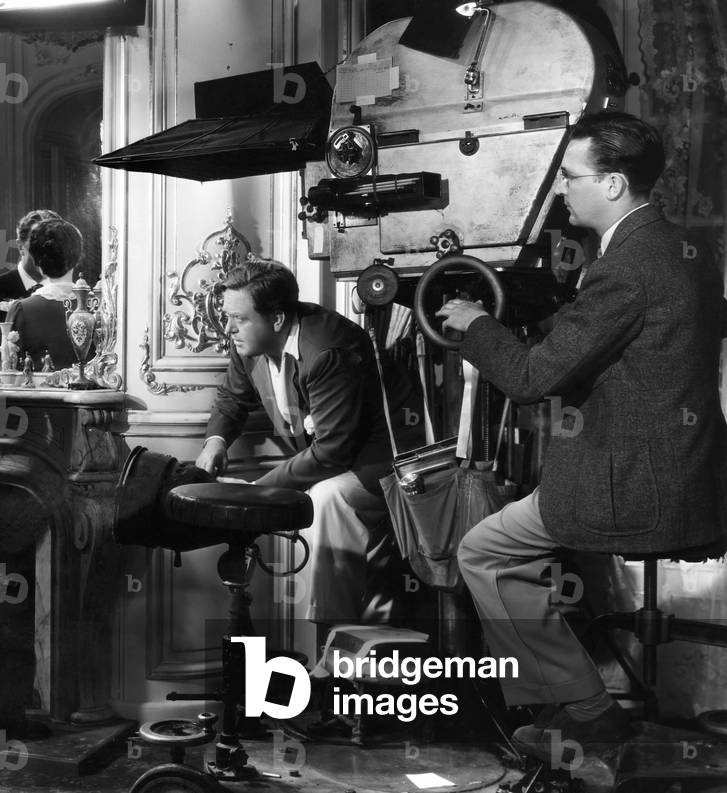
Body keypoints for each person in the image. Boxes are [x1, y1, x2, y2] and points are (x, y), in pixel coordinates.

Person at [437, 112, 727, 760]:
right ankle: (569, 706)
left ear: (615, 184)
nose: (562, 189)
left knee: (483, 550)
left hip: (633, 481)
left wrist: (475, 320)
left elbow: (530, 376)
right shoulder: (678, 247)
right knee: (518, 548)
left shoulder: (625, 266)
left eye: (571, 177)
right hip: (683, 469)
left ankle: (589, 712)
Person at [196, 260, 394, 625]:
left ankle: (334, 643)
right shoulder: (249, 343)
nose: (228, 329)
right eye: (228, 317)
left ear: (276, 319)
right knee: (321, 495)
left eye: (238, 318)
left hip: (374, 467)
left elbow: (333, 451)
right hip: (327, 462)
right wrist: (215, 441)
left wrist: (255, 494)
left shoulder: (327, 349)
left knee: (327, 499)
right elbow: (232, 397)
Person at [4, 216, 84, 371]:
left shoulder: (22, 309)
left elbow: (9, 370)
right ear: (77, 257)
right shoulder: (98, 305)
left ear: (38, 263)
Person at [0, 208, 60, 332]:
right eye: (38, 243)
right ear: (20, 246)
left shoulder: (70, 295)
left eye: (52, 244)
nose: (46, 251)